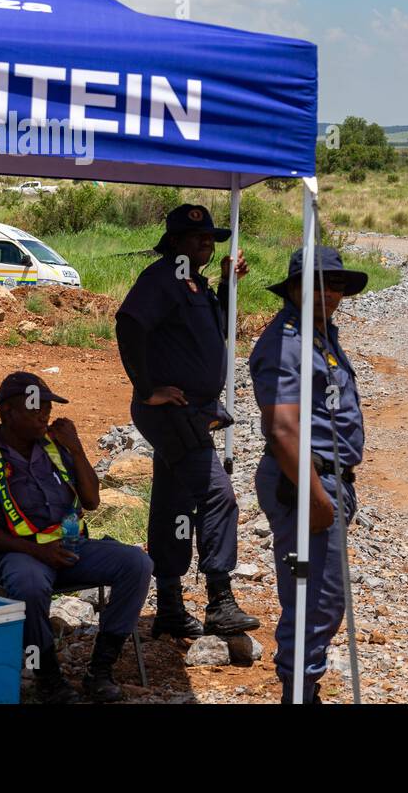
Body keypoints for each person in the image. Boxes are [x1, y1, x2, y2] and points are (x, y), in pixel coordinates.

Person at [0, 371, 153, 704]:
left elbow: (91, 501)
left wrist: (76, 449)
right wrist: (36, 550)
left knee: (137, 563)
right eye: (35, 408)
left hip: (70, 547)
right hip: (20, 554)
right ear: (7, 413)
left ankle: (100, 670)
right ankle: (47, 676)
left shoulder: (56, 449)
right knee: (29, 586)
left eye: (47, 407)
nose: (45, 415)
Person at [115, 204, 259, 640]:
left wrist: (228, 287)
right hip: (171, 413)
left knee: (174, 502)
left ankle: (171, 606)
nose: (206, 243)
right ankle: (219, 600)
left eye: (211, 238)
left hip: (193, 412)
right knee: (218, 497)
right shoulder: (161, 278)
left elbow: (213, 329)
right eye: (196, 237)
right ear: (174, 241)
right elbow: (128, 323)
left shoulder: (193, 282)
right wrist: (146, 389)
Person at [250, 246, 367, 703]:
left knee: (321, 594)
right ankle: (299, 692)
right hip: (304, 482)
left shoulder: (321, 335)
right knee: (315, 598)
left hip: (326, 479)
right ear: (296, 288)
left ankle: (303, 687)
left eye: (336, 285)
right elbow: (280, 429)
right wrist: (316, 495)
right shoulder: (287, 342)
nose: (330, 293)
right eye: (320, 284)